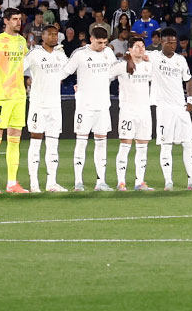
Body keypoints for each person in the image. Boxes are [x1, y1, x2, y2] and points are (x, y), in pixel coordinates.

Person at [148, 29, 192, 191]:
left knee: (189, 143)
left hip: (181, 108)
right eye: (169, 42)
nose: (172, 45)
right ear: (161, 42)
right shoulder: (153, 57)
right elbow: (135, 54)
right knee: (166, 145)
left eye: (174, 42)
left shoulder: (180, 60)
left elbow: (188, 80)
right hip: (164, 109)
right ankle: (168, 181)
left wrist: (190, 99)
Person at [67, 24, 121, 192]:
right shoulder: (80, 54)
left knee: (101, 144)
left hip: (103, 106)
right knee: (81, 143)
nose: (102, 46)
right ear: (91, 40)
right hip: (85, 107)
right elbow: (65, 72)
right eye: (99, 42)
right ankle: (78, 181)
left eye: (105, 42)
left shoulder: (109, 53)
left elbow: (114, 73)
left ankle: (101, 181)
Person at [0, 10, 31, 193]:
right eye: (15, 19)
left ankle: (12, 183)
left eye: (20, 19)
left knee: (15, 140)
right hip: (0, 95)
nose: (19, 22)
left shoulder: (22, 41)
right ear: (6, 21)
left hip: (19, 96)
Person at [22, 24, 71, 193]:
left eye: (56, 34)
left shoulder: (60, 55)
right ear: (42, 36)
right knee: (35, 143)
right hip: (38, 105)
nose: (54, 37)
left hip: (55, 105)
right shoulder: (34, 54)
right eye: (50, 34)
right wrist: (27, 81)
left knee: (53, 144)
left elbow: (66, 72)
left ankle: (52, 182)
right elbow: (19, 69)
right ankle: (34, 183)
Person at [116, 39, 156, 190]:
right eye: (137, 47)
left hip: (145, 112)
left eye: (143, 46)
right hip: (128, 112)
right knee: (125, 146)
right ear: (130, 50)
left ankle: (140, 182)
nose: (140, 49)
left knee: (142, 148)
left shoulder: (149, 66)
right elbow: (105, 76)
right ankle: (121, 182)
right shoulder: (122, 66)